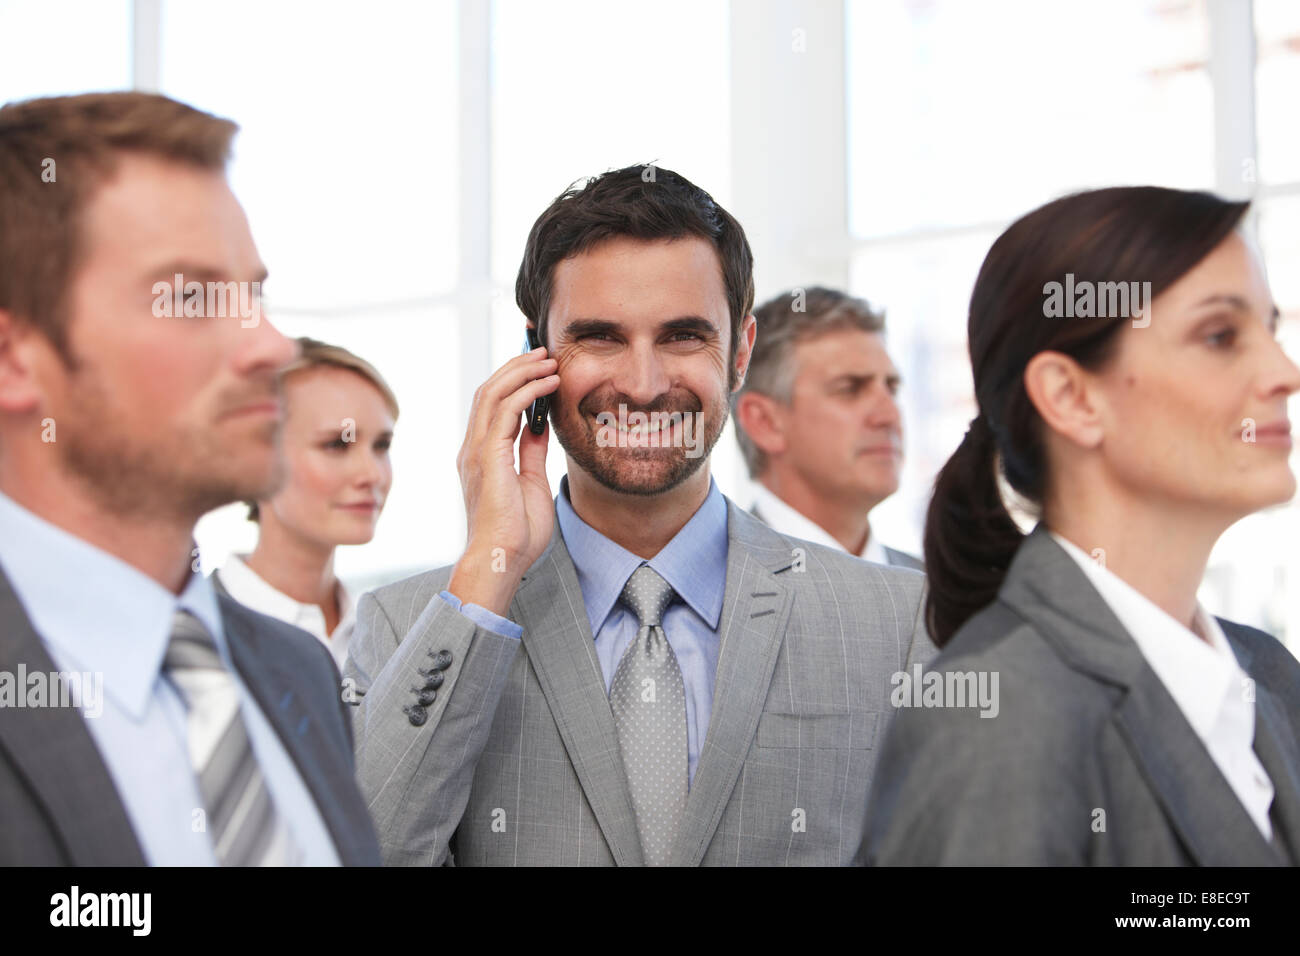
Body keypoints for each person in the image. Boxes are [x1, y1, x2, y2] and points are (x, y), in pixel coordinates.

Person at [346, 164, 935, 866]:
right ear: (536, 355)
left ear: (740, 350)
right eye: (600, 337)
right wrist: (490, 565)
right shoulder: (414, 625)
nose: (644, 385)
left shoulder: (894, 618)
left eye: (684, 336)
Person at [865, 186, 1300, 865]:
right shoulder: (995, 721)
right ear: (1071, 397)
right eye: (1220, 336)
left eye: (1269, 331)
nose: (1284, 373)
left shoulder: (1269, 677)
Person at [0, 92, 380, 865]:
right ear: (14, 358)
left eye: (256, 294)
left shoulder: (298, 672)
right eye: (192, 297)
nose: (272, 347)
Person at [213, 337, 398, 671]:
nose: (372, 474)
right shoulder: (193, 632)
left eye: (381, 446)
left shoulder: (390, 635)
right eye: (336, 446)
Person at [733, 286, 921, 569]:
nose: (890, 415)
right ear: (765, 423)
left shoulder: (940, 593)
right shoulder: (713, 591)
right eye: (850, 388)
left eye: (891, 388)